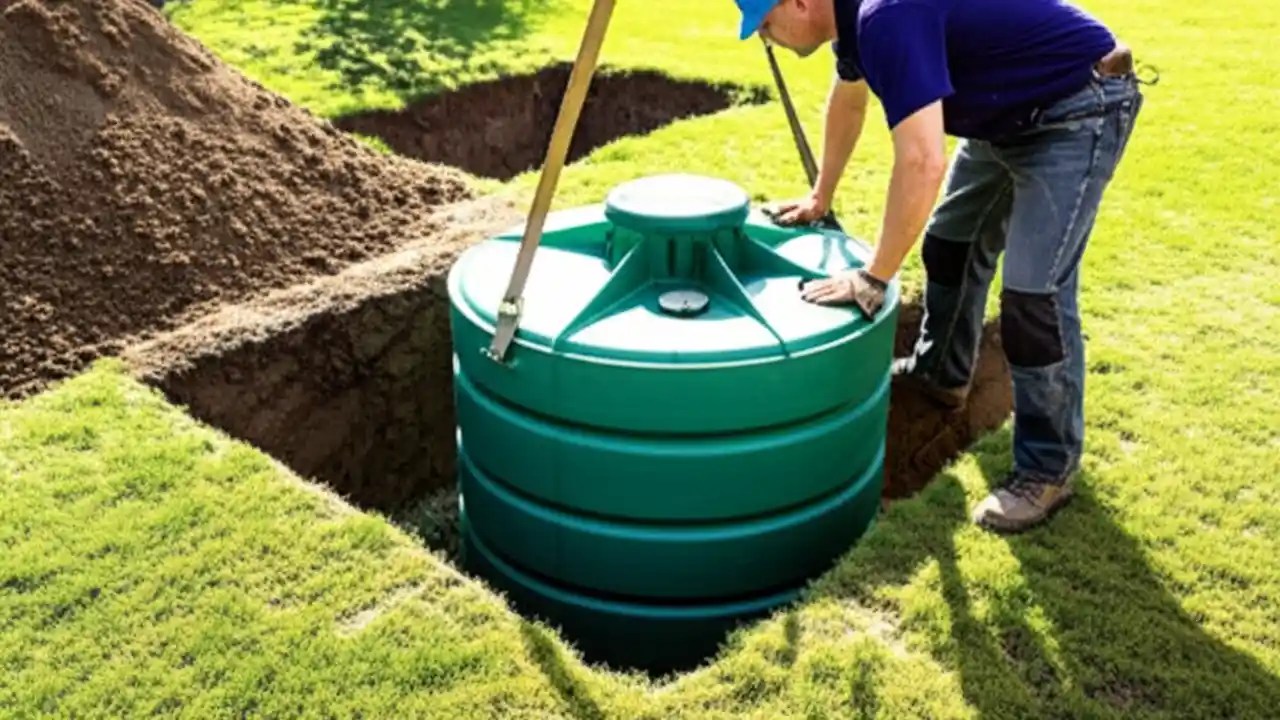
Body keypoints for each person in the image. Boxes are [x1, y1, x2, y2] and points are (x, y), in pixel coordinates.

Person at [735, 0, 1145, 532]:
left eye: (766, 24)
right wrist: (820, 195)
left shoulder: (882, 18)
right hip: (1009, 112)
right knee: (951, 243)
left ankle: (1048, 469)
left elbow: (923, 160)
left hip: (1078, 105)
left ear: (798, 3)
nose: (768, 38)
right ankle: (942, 375)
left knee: (1033, 294)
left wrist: (873, 276)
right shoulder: (854, 25)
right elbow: (849, 102)